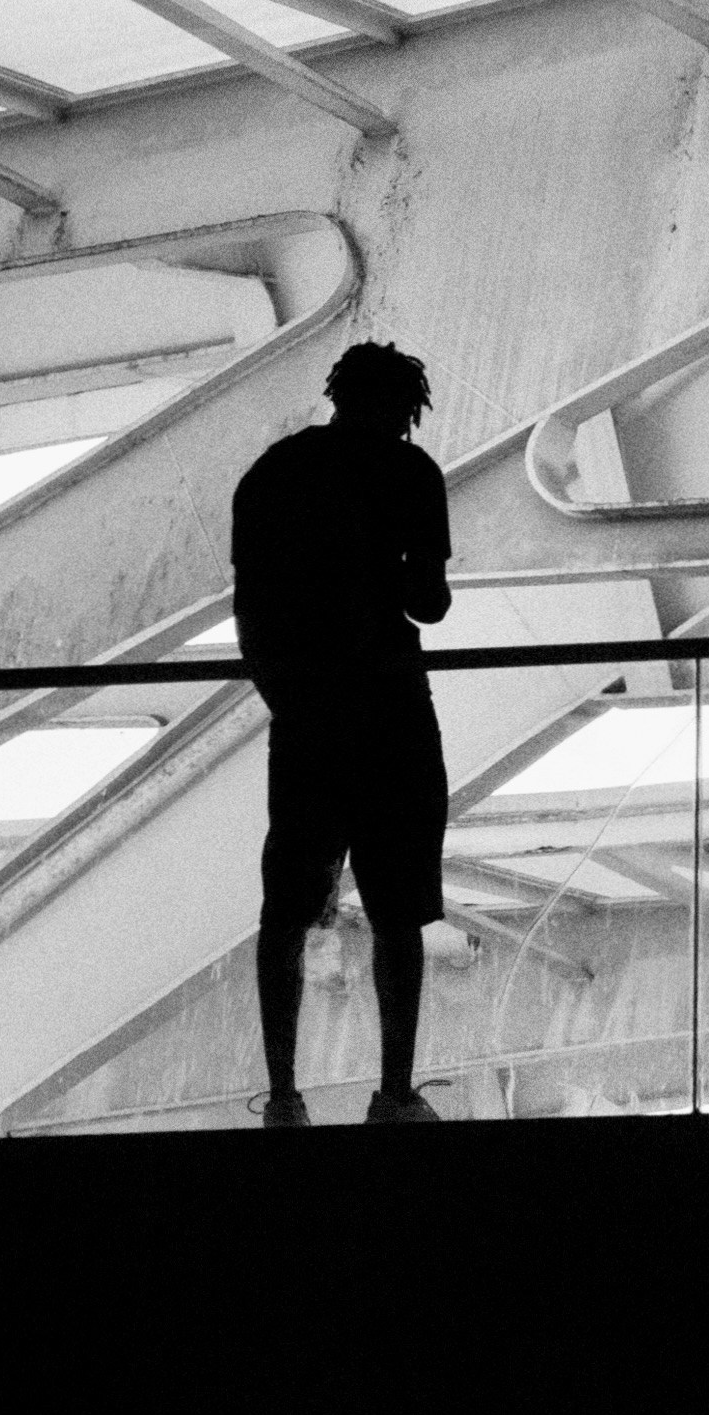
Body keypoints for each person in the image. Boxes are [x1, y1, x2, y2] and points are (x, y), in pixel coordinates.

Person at [231, 340, 453, 1126]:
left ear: (337, 394)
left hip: (308, 715)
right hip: (391, 709)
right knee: (398, 909)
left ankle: (283, 1097)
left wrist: (290, 697)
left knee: (285, 911)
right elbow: (428, 603)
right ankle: (394, 1093)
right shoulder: (412, 473)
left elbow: (252, 609)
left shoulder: (276, 473)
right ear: (406, 408)